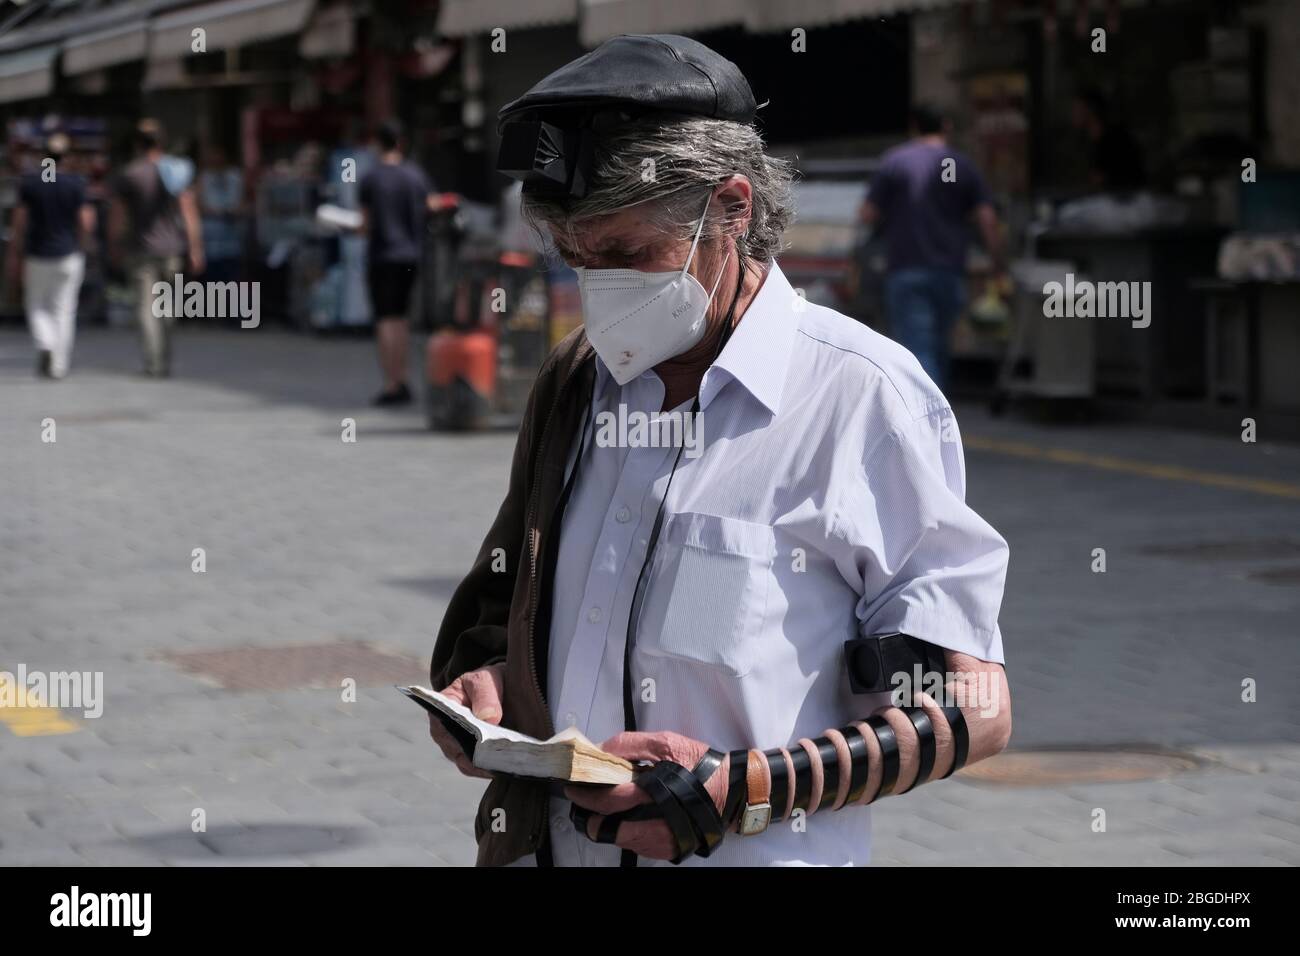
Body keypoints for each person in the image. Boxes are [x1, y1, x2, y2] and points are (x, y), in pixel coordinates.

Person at [428, 35, 1012, 867]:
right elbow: (507, 601)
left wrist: (742, 788)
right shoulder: (576, 381)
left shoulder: (861, 397)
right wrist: (489, 685)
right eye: (576, 259)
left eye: (627, 254)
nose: (600, 287)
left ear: (730, 208)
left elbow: (978, 708)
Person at [859, 104, 1004, 393]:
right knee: (939, 345)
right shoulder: (961, 164)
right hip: (951, 271)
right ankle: (940, 413)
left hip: (906, 268)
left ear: (914, 126)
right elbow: (987, 218)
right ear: (946, 126)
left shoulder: (896, 162)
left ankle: (929, 419)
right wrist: (998, 261)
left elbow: (867, 214)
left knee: (918, 348)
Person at [357, 119, 446, 406]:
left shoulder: (371, 178)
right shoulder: (415, 175)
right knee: (402, 318)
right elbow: (433, 205)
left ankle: (391, 383)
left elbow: (364, 224)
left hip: (382, 256)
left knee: (386, 319)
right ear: (400, 143)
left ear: (377, 144)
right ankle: (404, 379)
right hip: (410, 256)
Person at [107, 119, 204, 378]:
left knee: (146, 309)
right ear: (161, 142)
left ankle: (154, 363)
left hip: (141, 251)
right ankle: (164, 358)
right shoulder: (177, 172)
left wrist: (114, 244)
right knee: (167, 307)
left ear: (137, 143)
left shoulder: (129, 174)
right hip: (172, 250)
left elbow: (117, 216)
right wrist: (195, 248)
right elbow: (189, 212)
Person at [5, 131, 95, 379]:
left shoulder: (32, 183)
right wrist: (84, 246)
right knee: (64, 310)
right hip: (68, 254)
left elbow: (19, 222)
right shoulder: (76, 183)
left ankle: (45, 343)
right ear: (67, 157)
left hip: (38, 254)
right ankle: (58, 365)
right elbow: (86, 221)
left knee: (36, 305)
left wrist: (14, 253)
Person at [1071, 86, 1147, 193]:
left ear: (1091, 108)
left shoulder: (1117, 140)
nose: (1074, 114)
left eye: (1077, 109)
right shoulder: (1084, 143)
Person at [196, 143, 245, 285]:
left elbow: (244, 203)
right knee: (212, 289)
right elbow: (198, 206)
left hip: (232, 244)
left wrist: (235, 211)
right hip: (210, 246)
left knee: (230, 288)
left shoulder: (235, 177)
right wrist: (218, 212)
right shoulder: (203, 179)